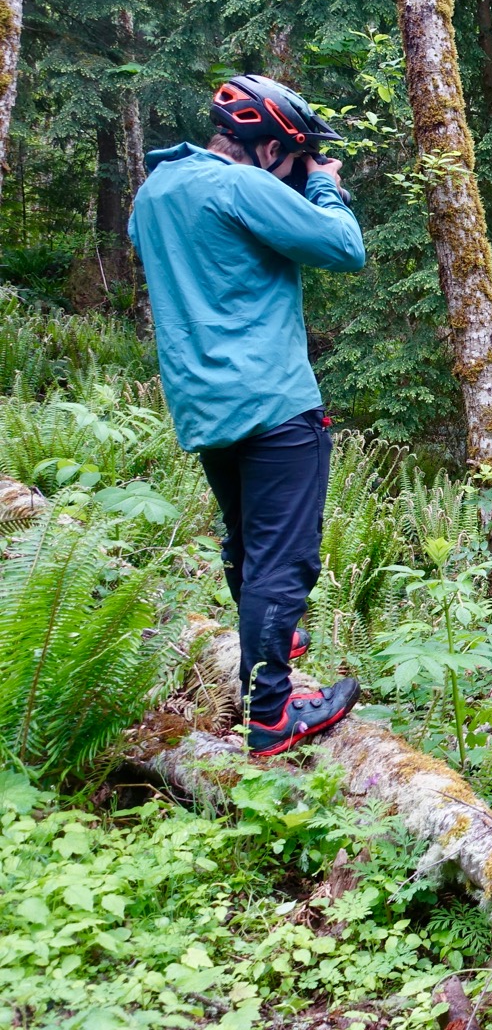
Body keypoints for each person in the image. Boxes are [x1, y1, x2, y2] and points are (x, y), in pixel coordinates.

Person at [129, 75, 366, 756]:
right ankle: (272, 715)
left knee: (245, 543)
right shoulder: (242, 185)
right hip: (274, 402)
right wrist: (324, 185)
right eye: (295, 160)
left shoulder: (154, 193)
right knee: (280, 562)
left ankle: (274, 639)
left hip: (204, 405)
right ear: (269, 150)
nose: (295, 174)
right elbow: (344, 247)